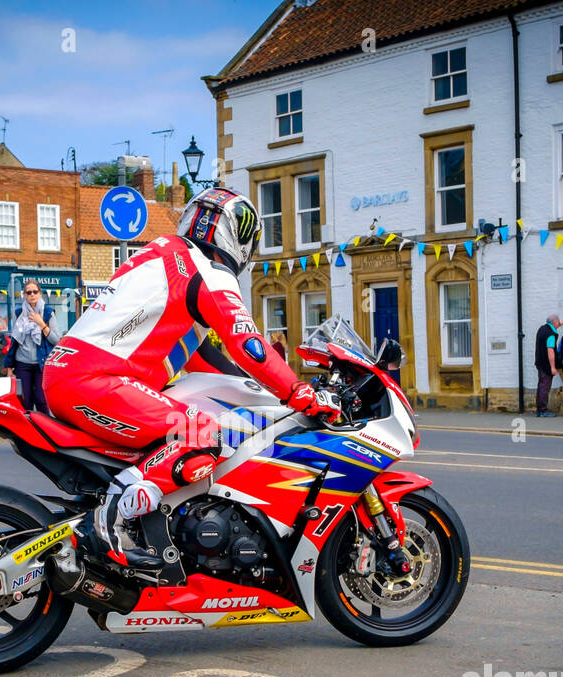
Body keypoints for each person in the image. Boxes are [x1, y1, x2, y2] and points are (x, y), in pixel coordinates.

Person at [42, 186, 340, 569]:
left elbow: (204, 359)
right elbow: (247, 345)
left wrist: (266, 391)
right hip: (96, 379)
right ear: (236, 236)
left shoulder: (160, 256)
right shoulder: (207, 270)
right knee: (203, 435)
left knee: (189, 426)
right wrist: (300, 392)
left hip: (76, 373)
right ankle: (109, 519)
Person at [7, 280, 60, 414]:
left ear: (40, 294)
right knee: (25, 401)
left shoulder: (48, 313)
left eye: (35, 292)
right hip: (22, 363)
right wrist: (9, 366)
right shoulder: (19, 313)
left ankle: (45, 430)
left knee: (41, 400)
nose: (32, 295)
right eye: (28, 292)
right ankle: (28, 431)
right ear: (24, 295)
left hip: (41, 364)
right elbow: (14, 340)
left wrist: (41, 323)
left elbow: (56, 340)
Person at [533, 313, 563, 417]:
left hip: (540, 362)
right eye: (558, 322)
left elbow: (557, 324)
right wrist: (553, 367)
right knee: (545, 387)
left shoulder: (543, 329)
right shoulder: (551, 334)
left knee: (541, 385)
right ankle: (543, 410)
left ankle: (539, 410)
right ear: (554, 322)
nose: (559, 324)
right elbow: (550, 350)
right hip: (546, 364)